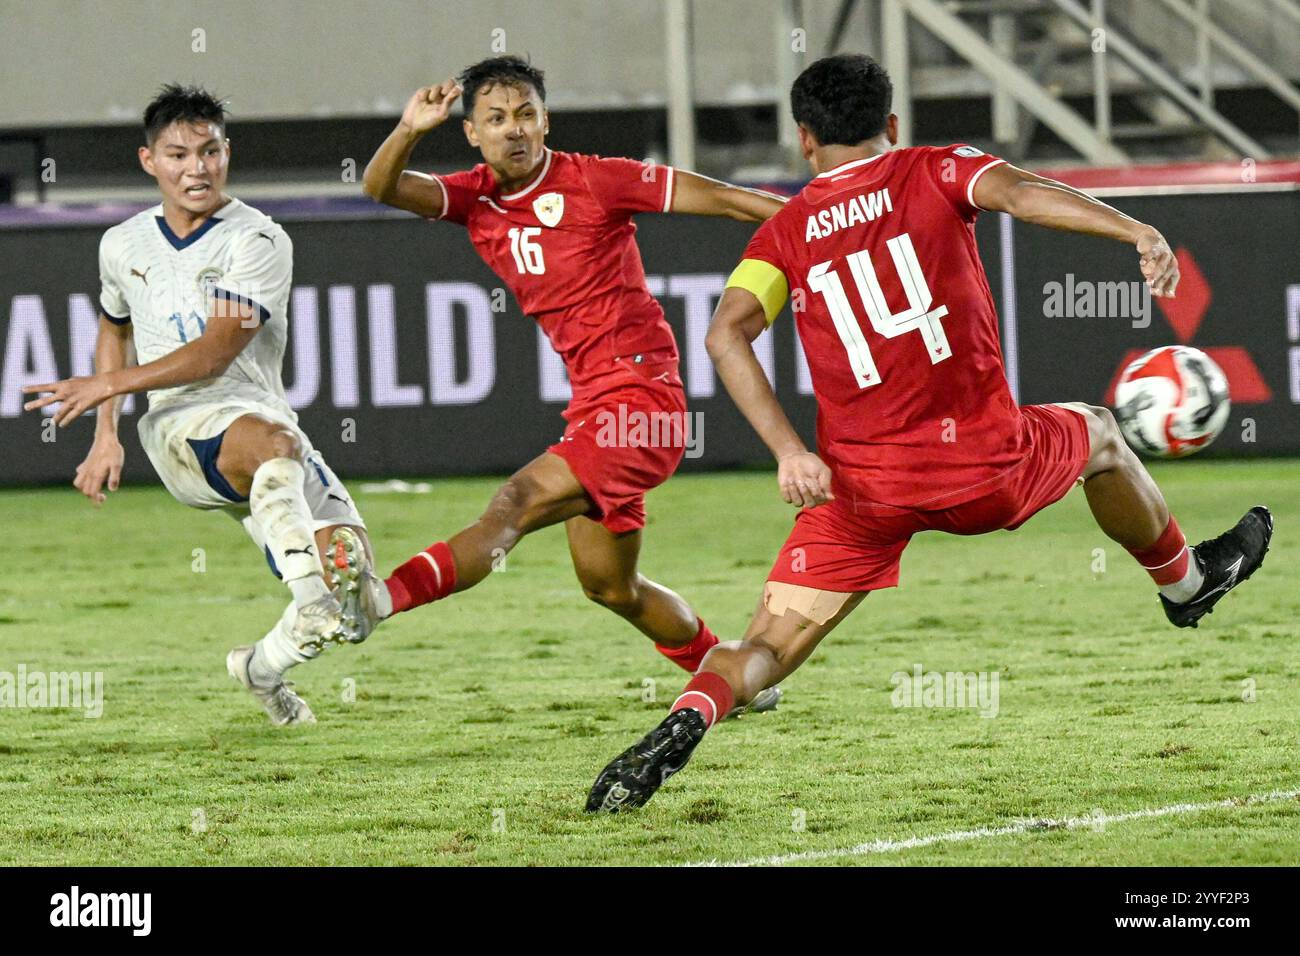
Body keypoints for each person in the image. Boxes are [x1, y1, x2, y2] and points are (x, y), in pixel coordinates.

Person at [585, 53, 1272, 812]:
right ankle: (1187, 583)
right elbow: (1018, 192)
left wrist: (789, 452)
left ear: (804, 139)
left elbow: (725, 337)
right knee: (1102, 432)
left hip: (862, 494)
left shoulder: (785, 231)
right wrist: (1132, 229)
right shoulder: (936, 169)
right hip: (987, 469)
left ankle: (689, 717)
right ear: (891, 124)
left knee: (764, 649)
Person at [346, 56, 786, 714]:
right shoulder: (474, 199)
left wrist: (822, 225)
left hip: (644, 402)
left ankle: (378, 601)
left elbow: (723, 199)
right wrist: (410, 128)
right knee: (612, 588)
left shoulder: (596, 180)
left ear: (546, 120)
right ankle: (737, 677)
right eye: (496, 119)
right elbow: (381, 188)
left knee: (514, 504)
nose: (514, 129)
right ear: (472, 133)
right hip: (595, 406)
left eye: (526, 114)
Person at [22, 85, 374, 727]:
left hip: (258, 418)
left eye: (210, 151)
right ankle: (308, 594)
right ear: (148, 161)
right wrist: (108, 434)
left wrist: (105, 387)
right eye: (178, 154)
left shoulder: (258, 241)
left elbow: (214, 353)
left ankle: (260, 669)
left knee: (363, 600)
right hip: (183, 429)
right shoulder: (122, 244)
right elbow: (113, 324)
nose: (197, 168)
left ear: (226, 153)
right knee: (276, 450)